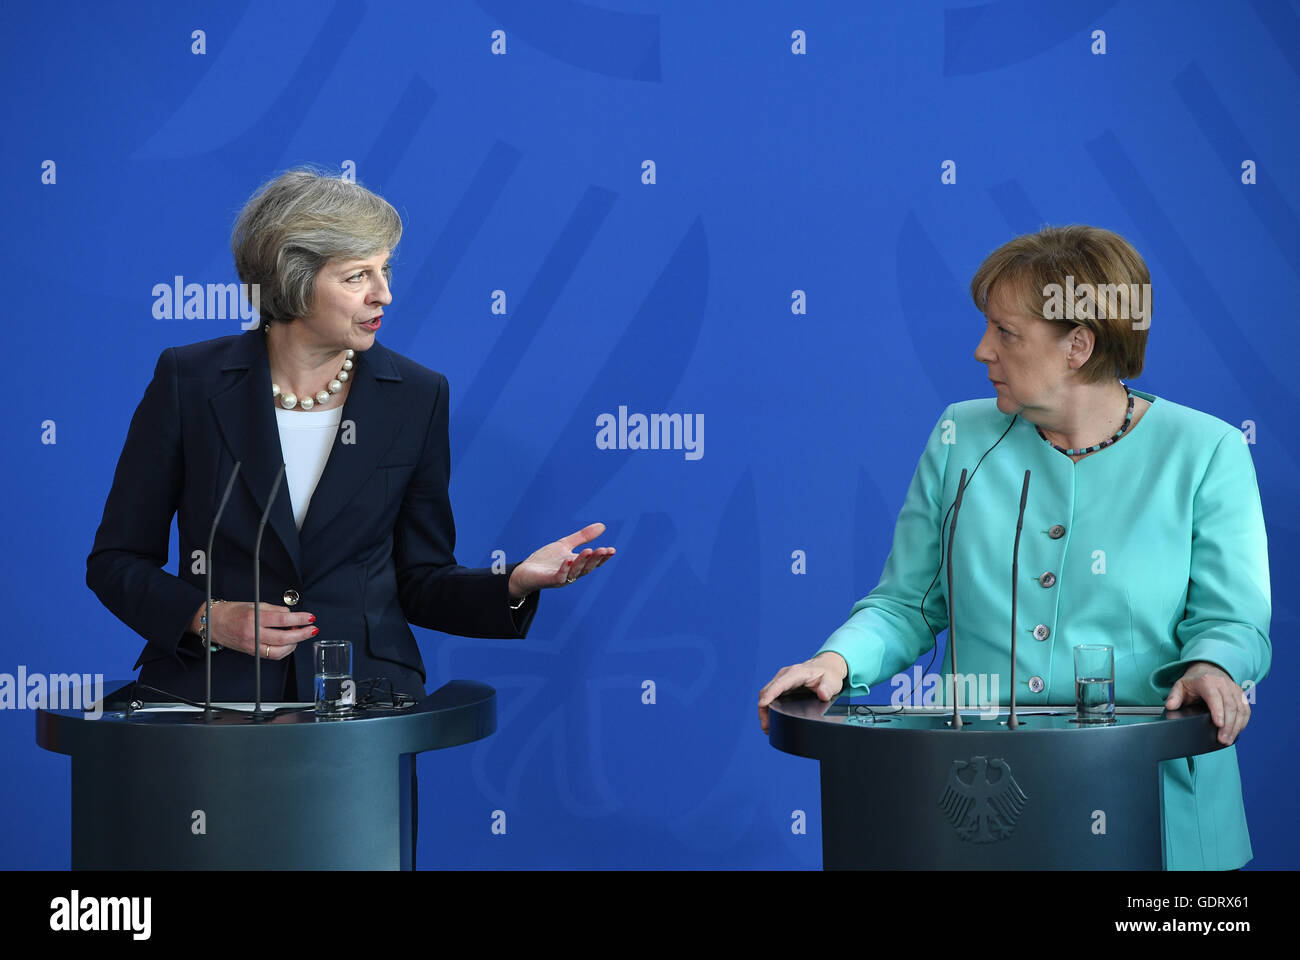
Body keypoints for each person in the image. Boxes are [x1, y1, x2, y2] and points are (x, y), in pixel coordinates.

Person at [757, 225, 1270, 870]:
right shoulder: (958, 437)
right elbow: (906, 603)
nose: (980, 351)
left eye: (1006, 333)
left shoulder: (1207, 451)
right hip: (978, 815)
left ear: (1078, 347)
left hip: (1159, 816)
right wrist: (835, 661)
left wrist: (1215, 667)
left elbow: (1234, 619)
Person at [87, 167, 614, 706]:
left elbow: (422, 581)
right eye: (357, 276)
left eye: (384, 270)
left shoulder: (416, 394)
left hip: (364, 707)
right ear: (291, 277)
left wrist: (514, 584)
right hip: (209, 699)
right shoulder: (189, 381)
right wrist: (209, 618)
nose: (384, 295)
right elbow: (117, 561)